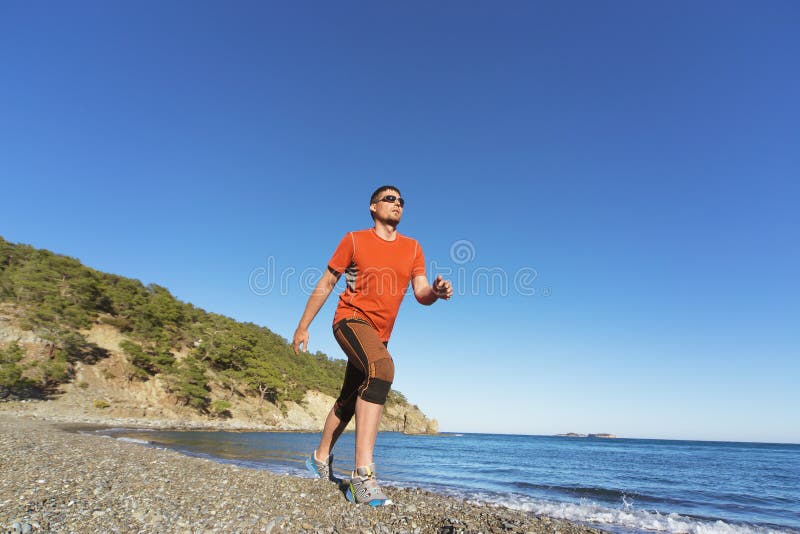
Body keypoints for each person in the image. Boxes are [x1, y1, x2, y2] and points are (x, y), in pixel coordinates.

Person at [292, 185, 453, 506]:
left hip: (378, 336)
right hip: (349, 320)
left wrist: (435, 291)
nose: (398, 205)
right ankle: (362, 478)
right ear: (372, 207)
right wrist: (303, 325)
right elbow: (326, 283)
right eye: (390, 199)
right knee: (382, 369)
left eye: (402, 201)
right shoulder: (354, 239)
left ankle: (319, 458)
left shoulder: (413, 248)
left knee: (350, 399)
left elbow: (421, 293)